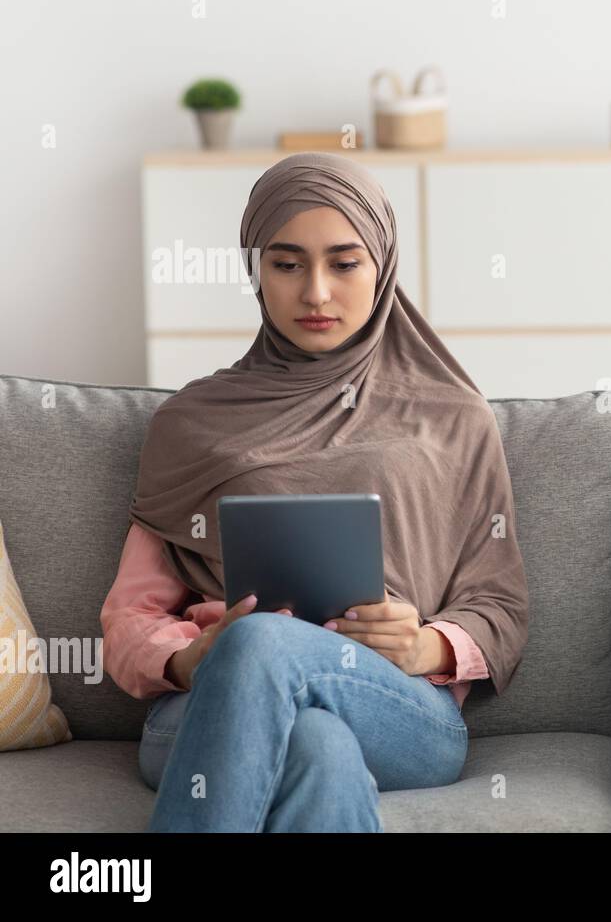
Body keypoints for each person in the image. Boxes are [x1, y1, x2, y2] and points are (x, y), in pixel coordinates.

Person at [100, 152, 529, 832]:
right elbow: (131, 614)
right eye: (288, 263)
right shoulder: (192, 422)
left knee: (266, 644)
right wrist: (188, 658)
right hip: (202, 708)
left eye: (345, 262)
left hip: (400, 706)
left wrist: (428, 645)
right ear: (256, 270)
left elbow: (499, 602)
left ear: (381, 264)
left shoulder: (454, 417)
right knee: (319, 749)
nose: (317, 293)